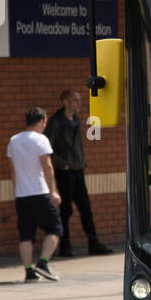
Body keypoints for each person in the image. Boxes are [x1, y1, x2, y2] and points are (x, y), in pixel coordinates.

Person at [45, 89, 113, 256]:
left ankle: (93, 242)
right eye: (75, 100)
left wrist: (82, 162)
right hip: (65, 173)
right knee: (65, 210)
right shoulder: (56, 122)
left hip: (78, 171)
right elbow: (47, 149)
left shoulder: (75, 120)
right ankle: (65, 247)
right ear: (65, 102)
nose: (79, 103)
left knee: (85, 208)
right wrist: (63, 164)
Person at [7, 107, 63, 282]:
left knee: (26, 235)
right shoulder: (41, 140)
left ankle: (29, 271)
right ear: (40, 121)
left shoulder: (13, 141)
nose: (45, 125)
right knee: (55, 228)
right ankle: (43, 263)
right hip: (40, 192)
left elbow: (13, 170)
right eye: (45, 122)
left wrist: (17, 191)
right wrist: (53, 191)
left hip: (22, 196)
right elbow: (47, 167)